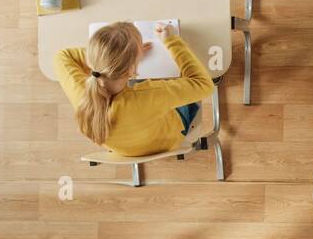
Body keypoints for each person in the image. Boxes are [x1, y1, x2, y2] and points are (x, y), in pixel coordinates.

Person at [54, 21, 214, 156]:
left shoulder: (81, 92)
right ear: (131, 70)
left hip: (124, 151)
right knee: (187, 89)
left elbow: (61, 57)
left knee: (167, 93)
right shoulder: (148, 94)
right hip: (167, 141)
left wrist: (107, 58)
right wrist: (172, 40)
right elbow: (204, 85)